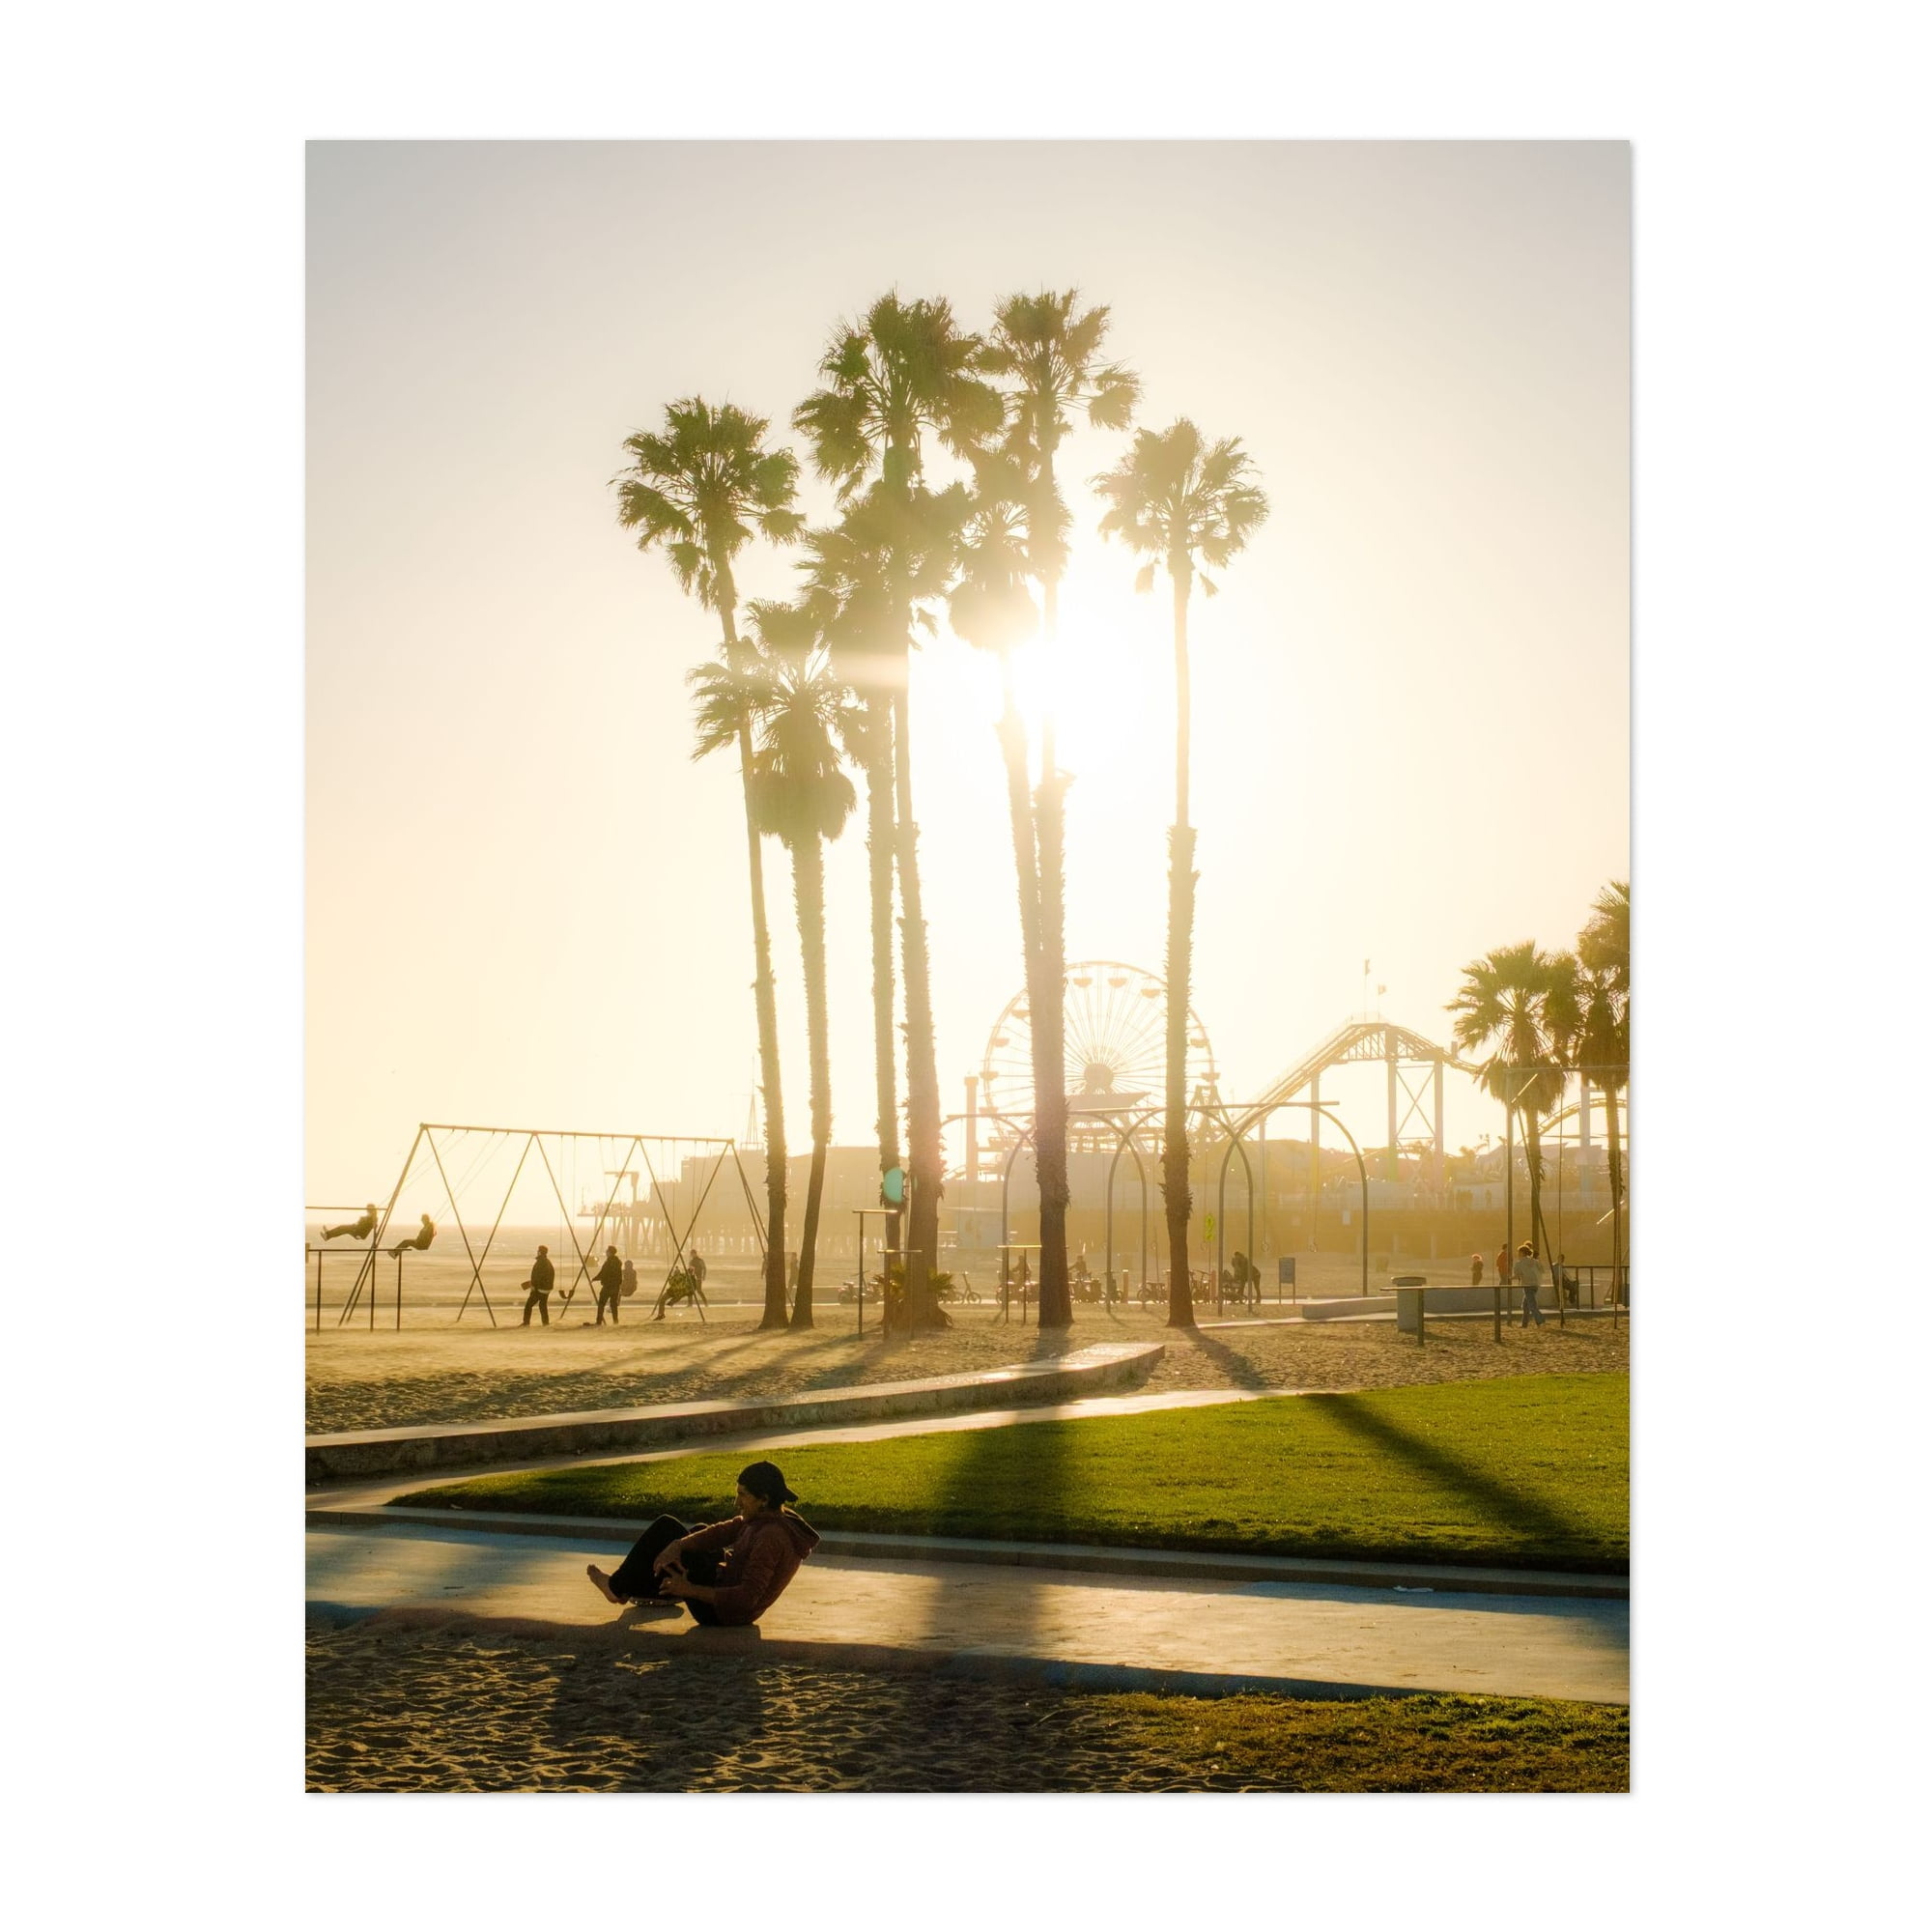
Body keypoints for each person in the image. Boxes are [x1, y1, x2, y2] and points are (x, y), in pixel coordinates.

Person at [586, 1460, 819, 1627]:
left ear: (763, 1500)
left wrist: (689, 1590)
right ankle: (655, 1591)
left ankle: (616, 1588)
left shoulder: (770, 1537)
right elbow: (721, 1532)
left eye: (743, 1495)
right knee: (695, 1535)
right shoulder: (769, 1516)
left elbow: (747, 1598)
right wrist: (677, 1545)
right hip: (724, 1586)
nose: (737, 1502)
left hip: (721, 1615)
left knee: (665, 1526)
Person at [1513, 1240, 1547, 1327]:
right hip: (1536, 1285)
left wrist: (1510, 1278)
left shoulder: (1519, 1263)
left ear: (1522, 1253)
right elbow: (1542, 1270)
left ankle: (1540, 1319)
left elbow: (1517, 1275)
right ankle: (1524, 1324)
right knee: (1525, 1305)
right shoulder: (1534, 1261)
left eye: (1519, 1252)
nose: (1518, 1254)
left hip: (1527, 1285)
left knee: (1532, 1305)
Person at [521, 1244, 555, 1326]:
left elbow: (538, 1276)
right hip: (547, 1288)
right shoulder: (547, 1261)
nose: (537, 1252)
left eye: (538, 1250)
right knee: (542, 1305)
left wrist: (534, 1286)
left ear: (540, 1252)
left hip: (540, 1288)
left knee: (528, 1305)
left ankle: (526, 1323)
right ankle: (545, 1323)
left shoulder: (540, 1262)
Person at [592, 1243, 624, 1325]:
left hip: (608, 1286)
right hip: (615, 1286)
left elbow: (603, 1273)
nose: (606, 1252)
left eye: (607, 1251)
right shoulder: (618, 1262)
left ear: (610, 1252)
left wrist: (595, 1278)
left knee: (601, 1304)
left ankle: (599, 1321)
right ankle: (615, 1321)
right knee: (613, 1304)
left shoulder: (609, 1262)